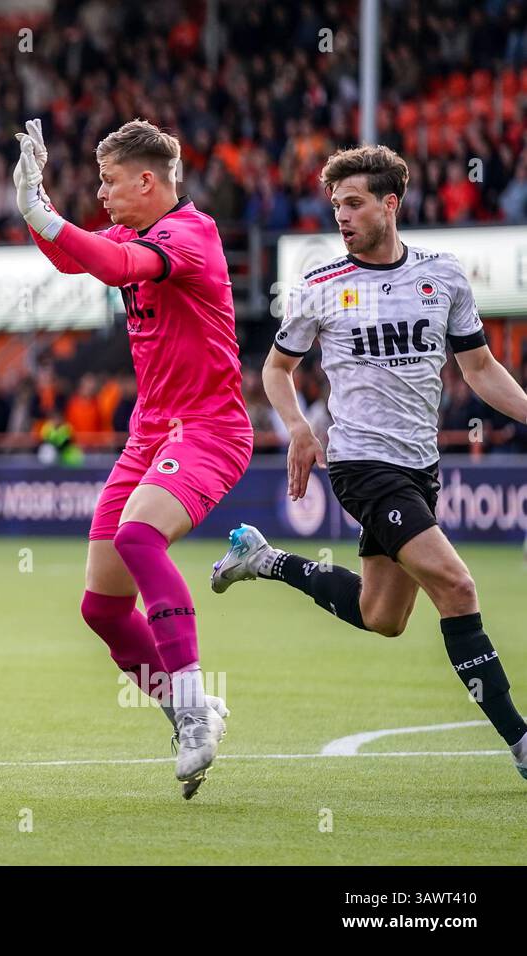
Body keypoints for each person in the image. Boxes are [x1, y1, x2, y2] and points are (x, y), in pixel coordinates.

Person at [211, 144, 527, 781]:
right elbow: (275, 369)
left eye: (354, 204)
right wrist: (299, 429)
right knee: (458, 587)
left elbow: (480, 368)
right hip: (360, 466)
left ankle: (263, 559)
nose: (342, 216)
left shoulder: (444, 275)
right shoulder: (321, 288)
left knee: (383, 617)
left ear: (390, 204)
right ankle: (521, 744)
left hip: (419, 468)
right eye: (336, 206)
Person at [18, 118, 252, 798]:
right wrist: (36, 203)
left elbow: (117, 266)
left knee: (140, 537)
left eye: (110, 181)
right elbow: (76, 257)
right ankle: (189, 713)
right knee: (103, 608)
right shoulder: (130, 233)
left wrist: (44, 213)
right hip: (151, 434)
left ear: (148, 181)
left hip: (207, 428)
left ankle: (196, 713)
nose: (102, 193)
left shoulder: (189, 234)